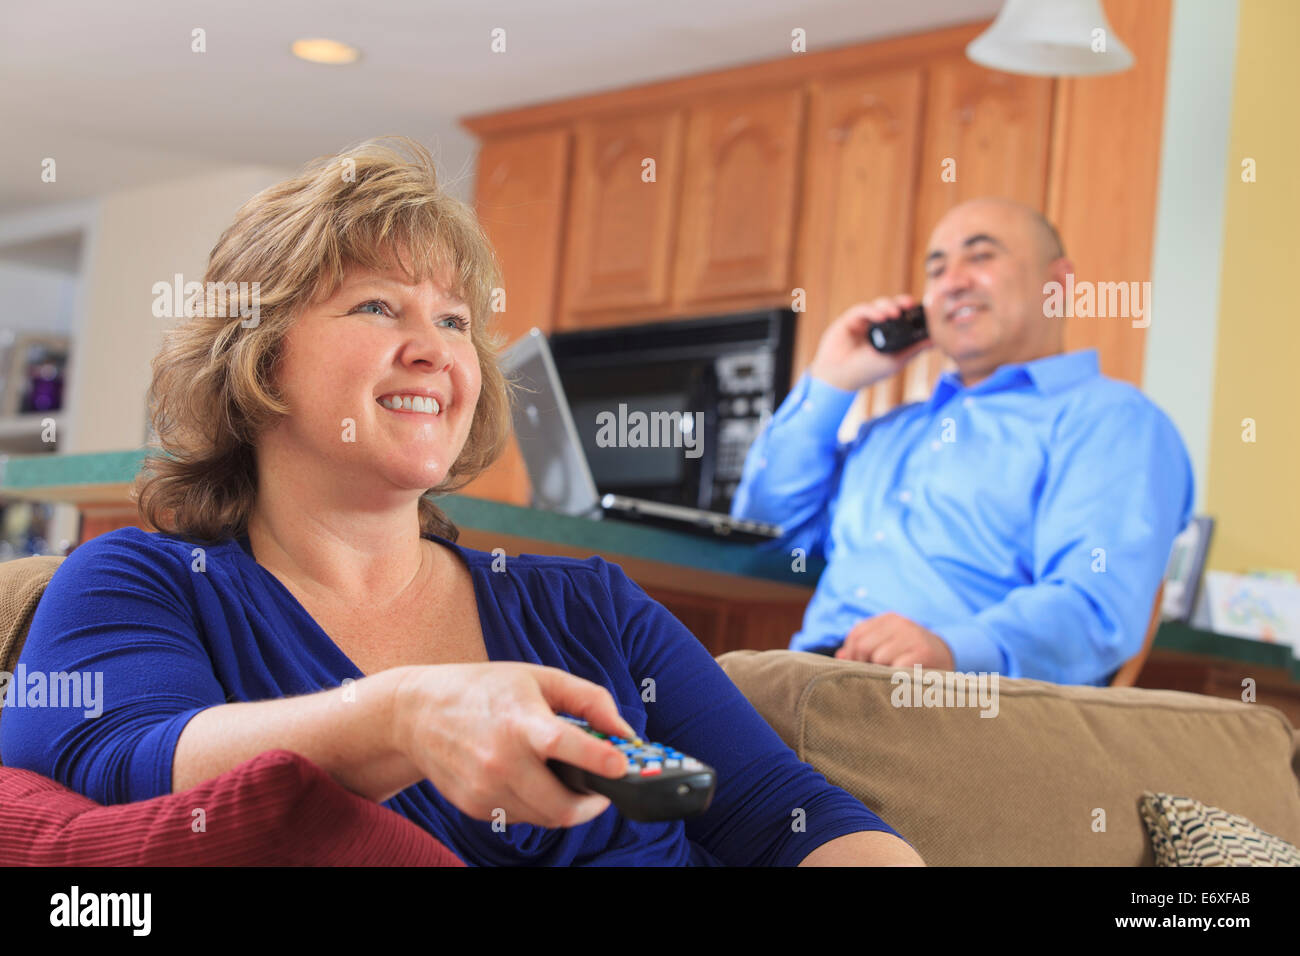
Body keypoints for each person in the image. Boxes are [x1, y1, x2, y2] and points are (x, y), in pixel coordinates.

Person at [0, 137, 920, 867]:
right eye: (377, 309)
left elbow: (784, 816)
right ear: (259, 354)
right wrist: (402, 719)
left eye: (452, 321)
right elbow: (122, 761)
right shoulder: (142, 582)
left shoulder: (589, 606)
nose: (436, 349)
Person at [731, 198, 1193, 686]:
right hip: (807, 677)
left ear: (1058, 285)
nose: (952, 282)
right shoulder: (889, 433)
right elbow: (766, 536)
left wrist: (952, 649)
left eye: (981, 256)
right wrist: (830, 382)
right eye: (936, 269)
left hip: (956, 701)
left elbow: (1094, 606)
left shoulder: (1111, 421)